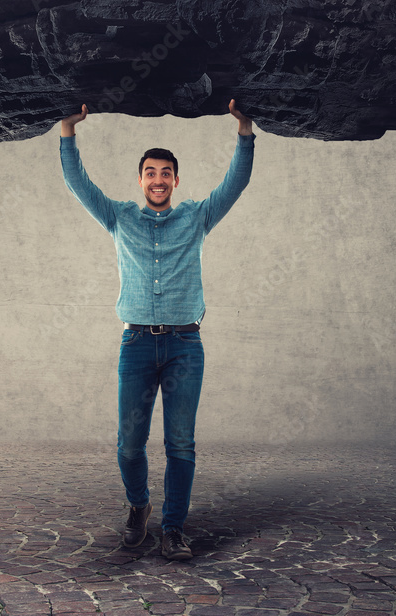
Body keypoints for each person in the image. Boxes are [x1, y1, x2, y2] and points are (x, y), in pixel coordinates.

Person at [59, 99, 255, 560]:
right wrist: (68, 132)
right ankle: (139, 506)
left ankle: (173, 529)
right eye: (151, 172)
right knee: (130, 443)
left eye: (166, 172)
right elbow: (78, 184)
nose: (158, 179)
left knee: (180, 443)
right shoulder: (120, 217)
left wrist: (245, 132)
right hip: (137, 345)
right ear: (141, 179)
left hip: (186, 344)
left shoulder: (197, 216)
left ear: (176, 180)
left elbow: (236, 183)